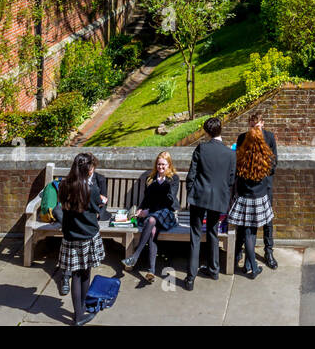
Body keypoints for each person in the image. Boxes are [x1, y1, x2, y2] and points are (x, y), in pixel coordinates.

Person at [54, 152, 108, 325]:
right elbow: (96, 209)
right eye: (92, 167)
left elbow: (63, 206)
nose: (93, 170)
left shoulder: (64, 185)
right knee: (83, 274)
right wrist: (101, 202)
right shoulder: (91, 188)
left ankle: (81, 310)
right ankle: (79, 316)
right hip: (87, 235)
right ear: (87, 169)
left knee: (76, 275)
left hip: (70, 235)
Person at [182, 116, 235, 291]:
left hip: (199, 197)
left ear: (207, 132)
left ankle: (190, 278)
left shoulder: (202, 148)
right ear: (221, 130)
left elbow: (192, 174)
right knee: (213, 233)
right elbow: (230, 179)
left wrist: (191, 191)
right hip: (218, 198)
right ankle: (214, 269)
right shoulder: (229, 154)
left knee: (195, 236)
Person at [122, 150, 180, 285]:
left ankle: (135, 256)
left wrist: (148, 212)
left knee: (152, 220)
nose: (161, 167)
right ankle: (151, 271)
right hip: (152, 213)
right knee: (152, 230)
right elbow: (146, 199)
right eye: (159, 164)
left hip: (166, 213)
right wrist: (141, 209)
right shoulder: (151, 178)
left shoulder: (173, 179)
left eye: (164, 165)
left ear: (169, 165)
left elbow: (169, 201)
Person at [227, 127, 276, 279]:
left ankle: (249, 265)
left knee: (248, 232)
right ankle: (253, 268)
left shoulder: (240, 157)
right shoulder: (265, 157)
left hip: (244, 197)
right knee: (251, 232)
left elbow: (235, 177)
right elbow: (269, 173)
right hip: (259, 197)